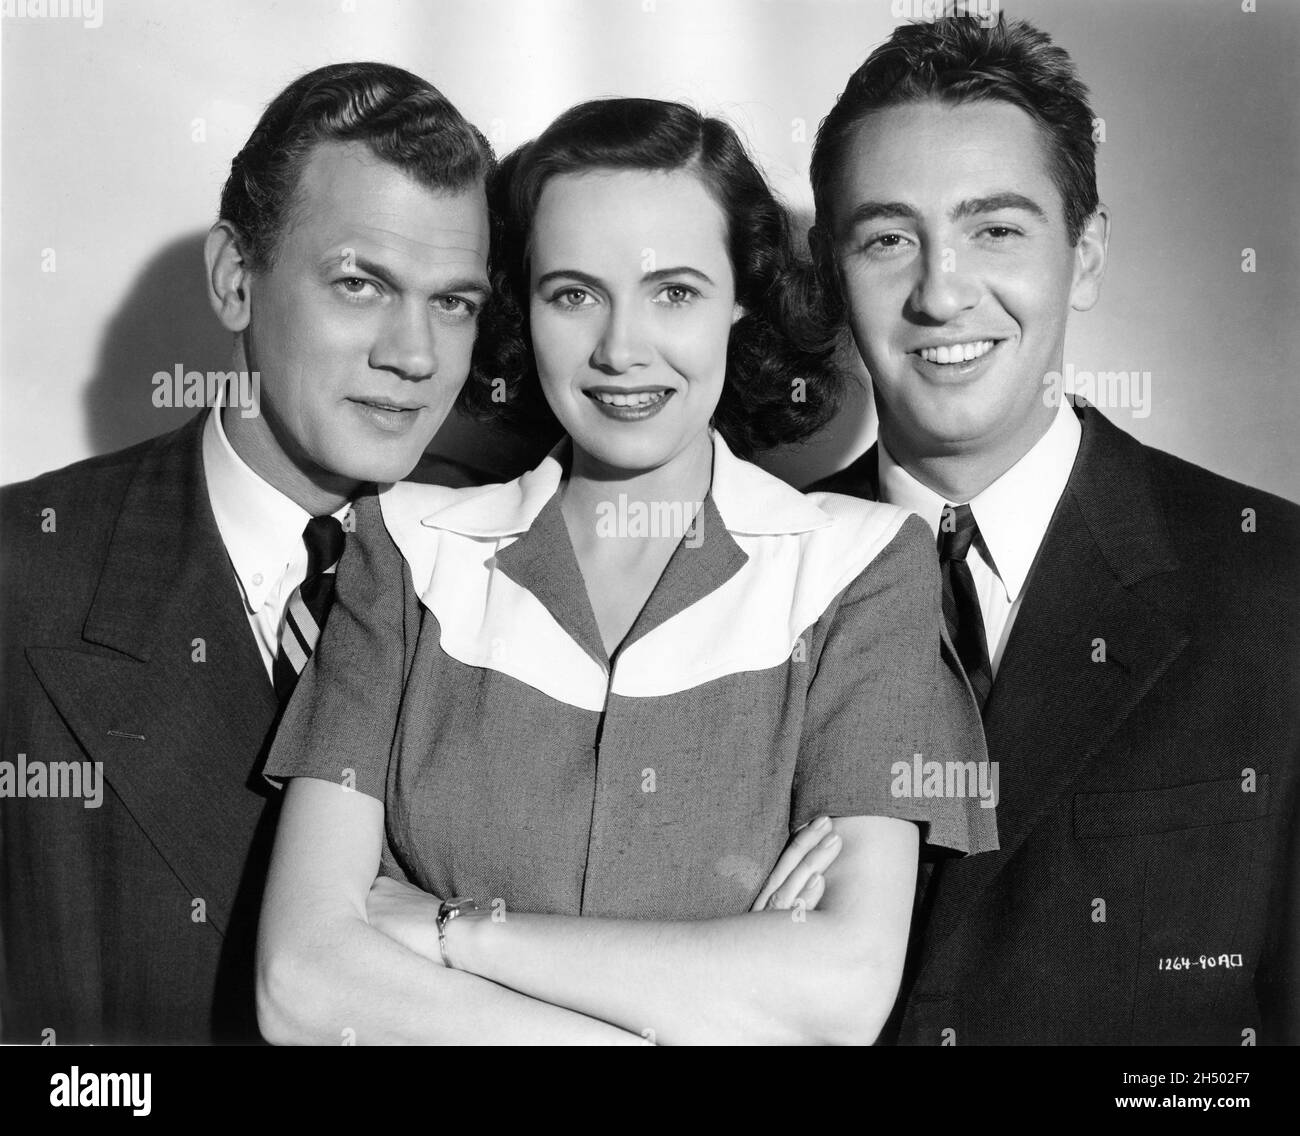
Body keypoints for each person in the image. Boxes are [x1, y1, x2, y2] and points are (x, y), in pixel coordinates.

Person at [257, 97, 997, 1045]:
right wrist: (711, 997)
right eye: (574, 293)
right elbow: (301, 983)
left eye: (675, 292)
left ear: (743, 297)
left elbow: (839, 992)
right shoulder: (403, 550)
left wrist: (454, 934)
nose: (620, 349)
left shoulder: (861, 568)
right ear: (524, 302)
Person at [808, 14, 1300, 1045]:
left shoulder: (1275, 586)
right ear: (830, 271)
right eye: (888, 237)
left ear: (1083, 255)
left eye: (996, 229)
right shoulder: (742, 580)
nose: (941, 292)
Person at [0, 61, 498, 1043]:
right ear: (237, 278)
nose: (415, 354)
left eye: (454, 302)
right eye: (361, 284)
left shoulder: (532, 569)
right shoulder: (23, 578)